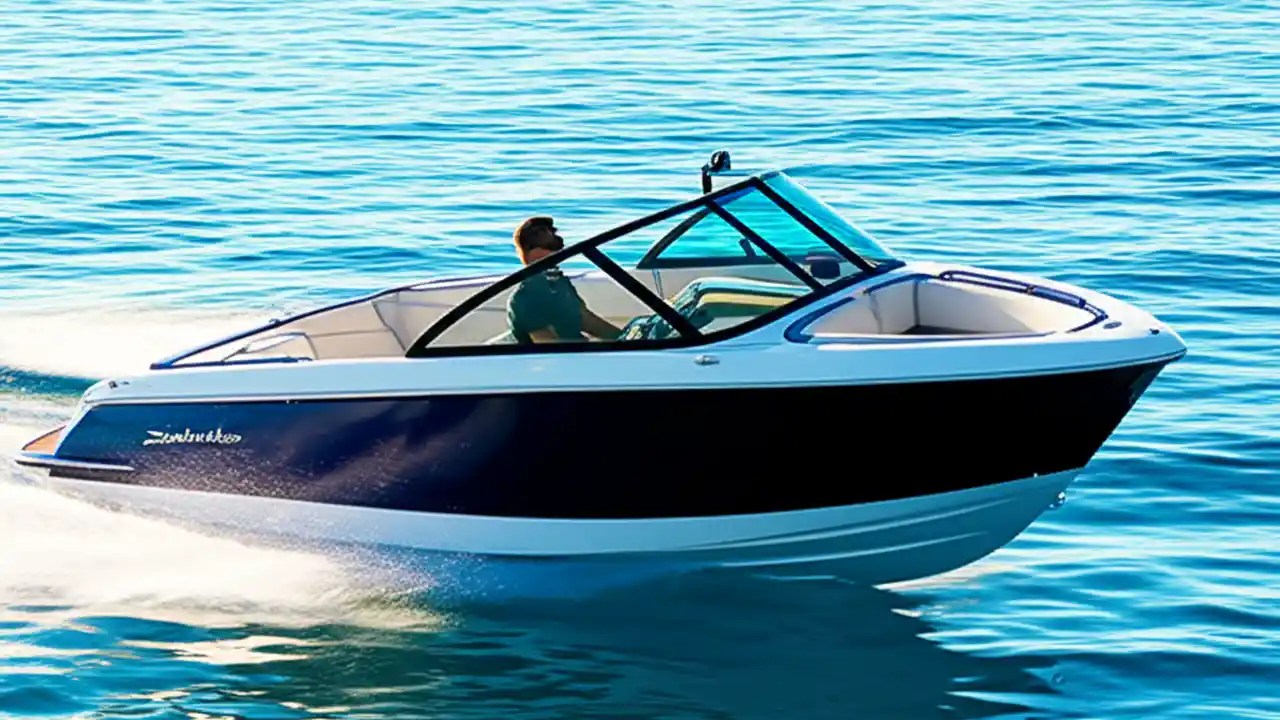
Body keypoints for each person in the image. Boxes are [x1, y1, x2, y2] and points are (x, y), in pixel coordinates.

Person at [506, 216, 623, 344]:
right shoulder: (526, 297)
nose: (555, 253)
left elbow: (587, 320)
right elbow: (549, 347)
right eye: (547, 246)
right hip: (566, 360)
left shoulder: (560, 284)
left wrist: (626, 339)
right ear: (530, 252)